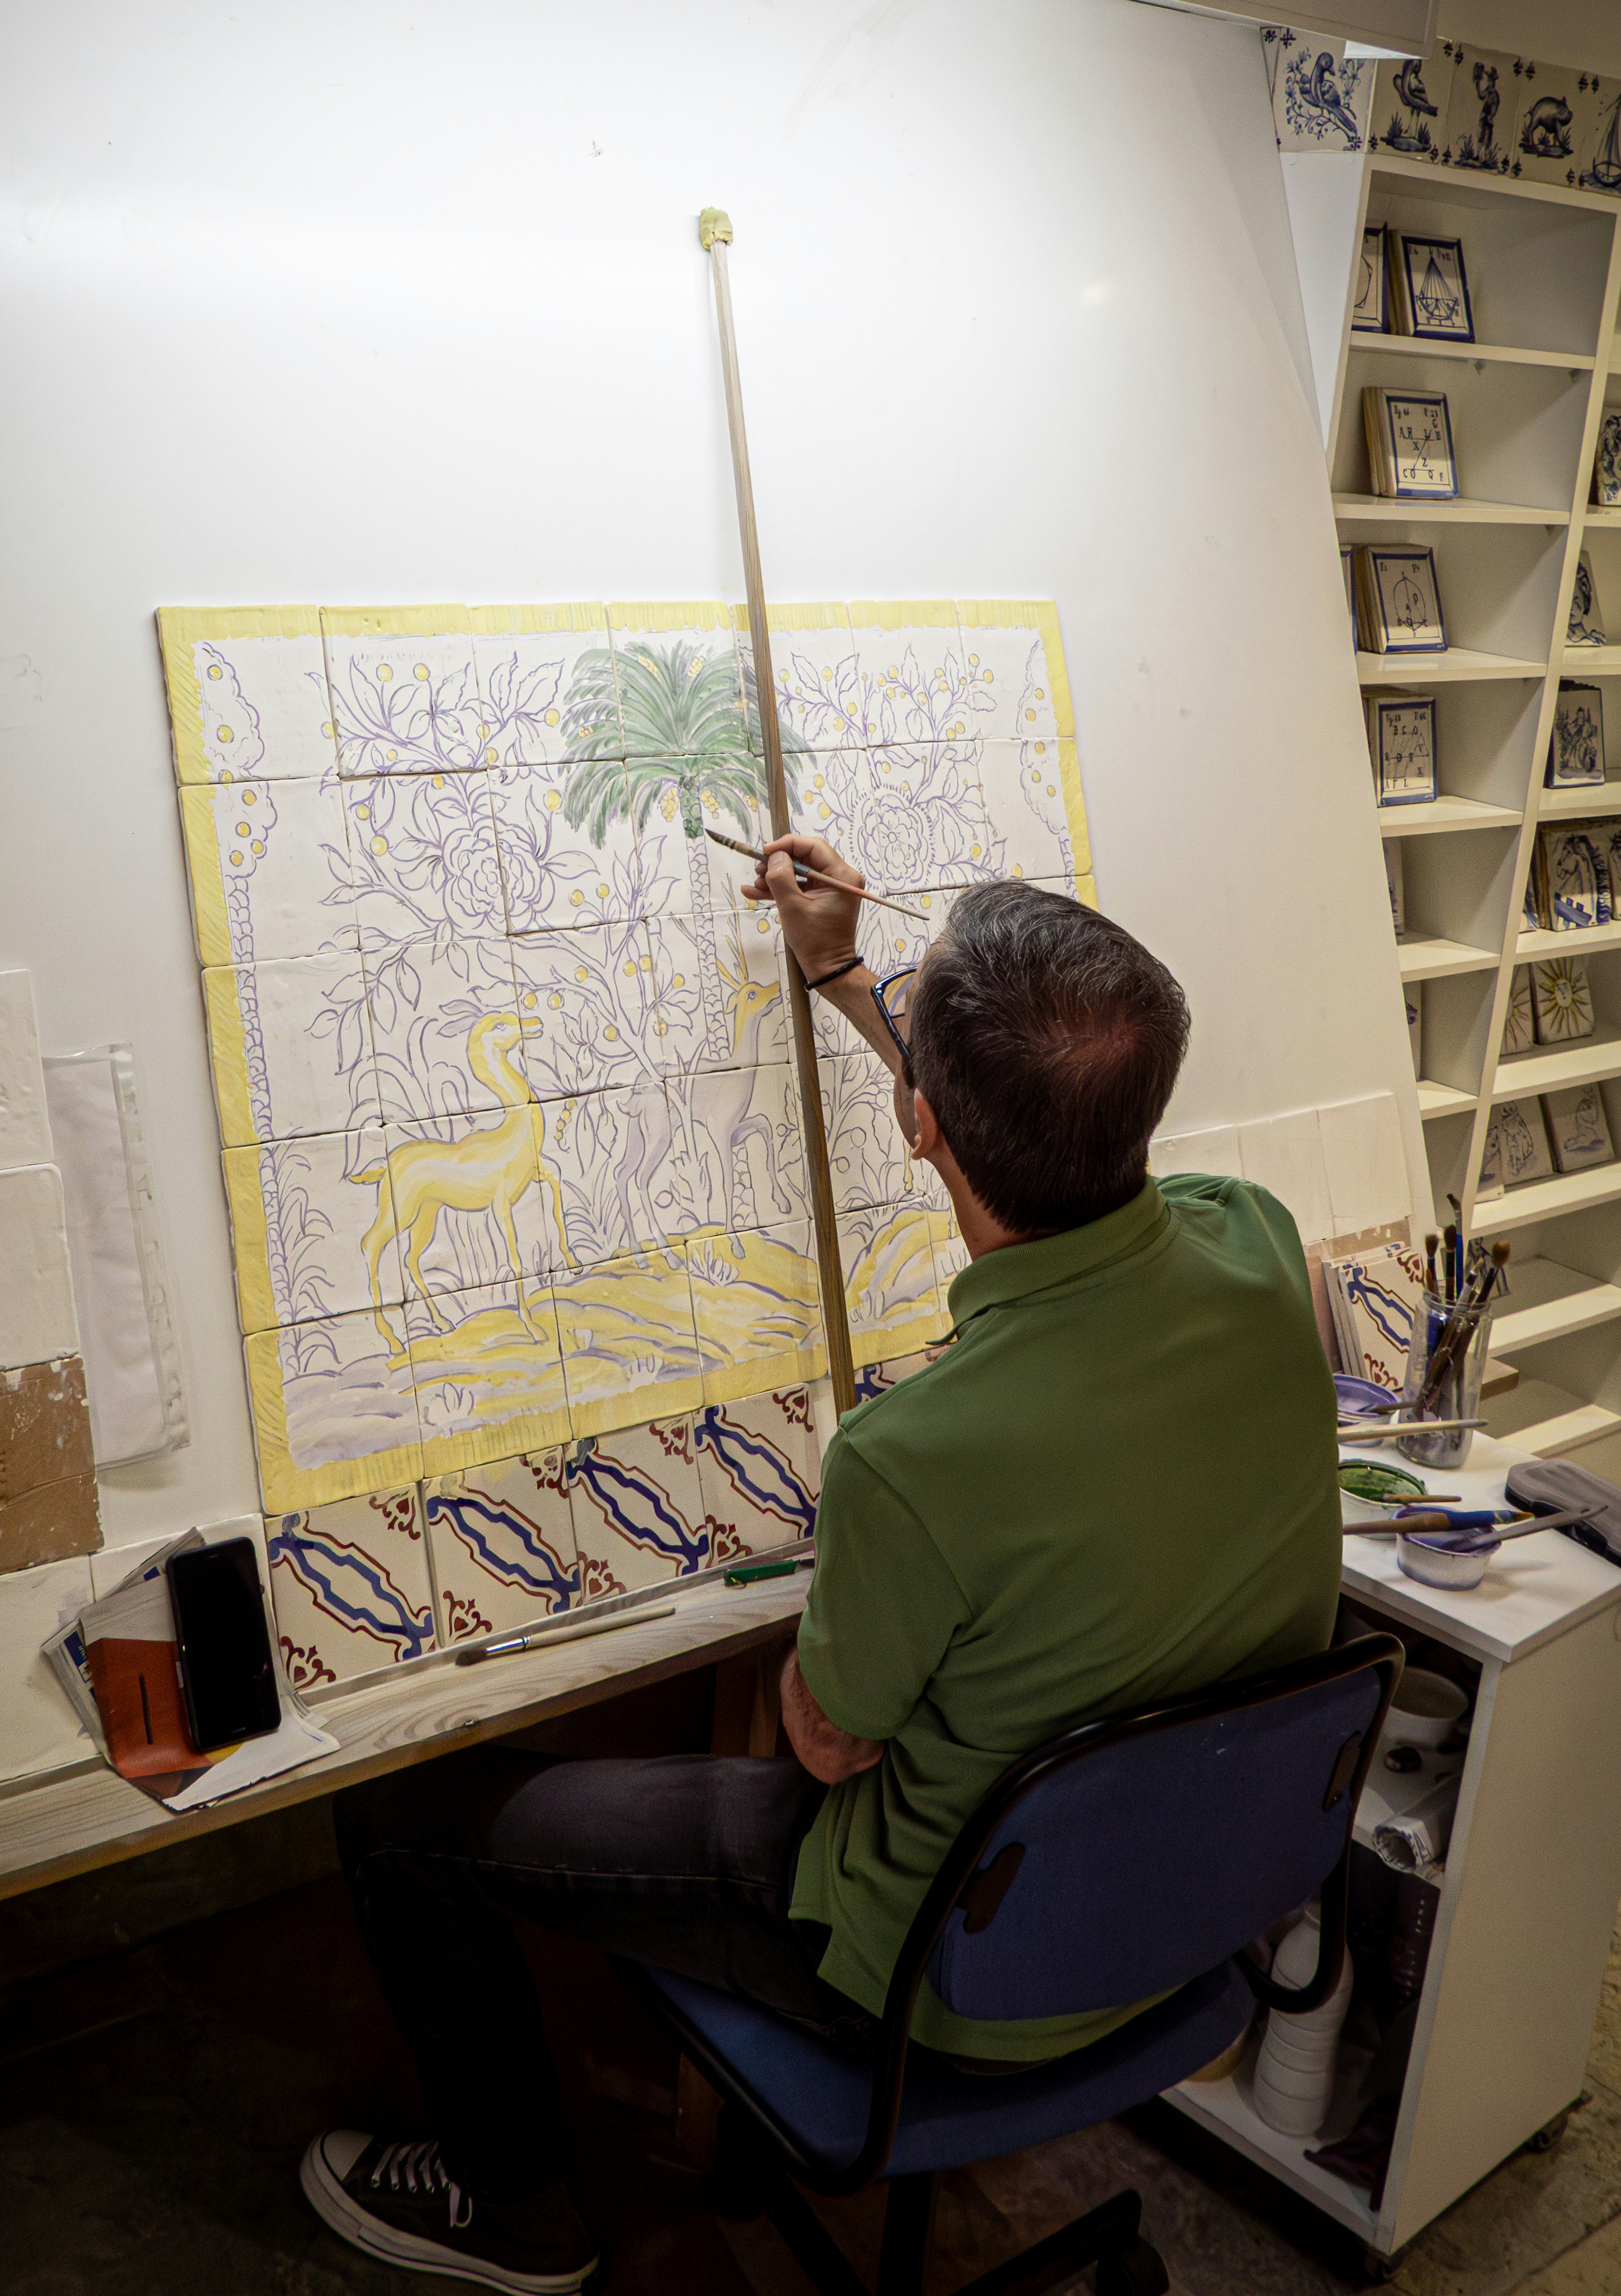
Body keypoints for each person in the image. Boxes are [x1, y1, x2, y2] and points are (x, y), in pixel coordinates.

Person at [302, 838, 1342, 2290]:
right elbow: (1033, 1118)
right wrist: (845, 973)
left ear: (919, 1125)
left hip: (942, 1974)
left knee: (397, 1813)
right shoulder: (1260, 1243)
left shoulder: (915, 1454)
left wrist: (865, 1574)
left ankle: (510, 2199)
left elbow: (831, 1741)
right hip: (1188, 1909)